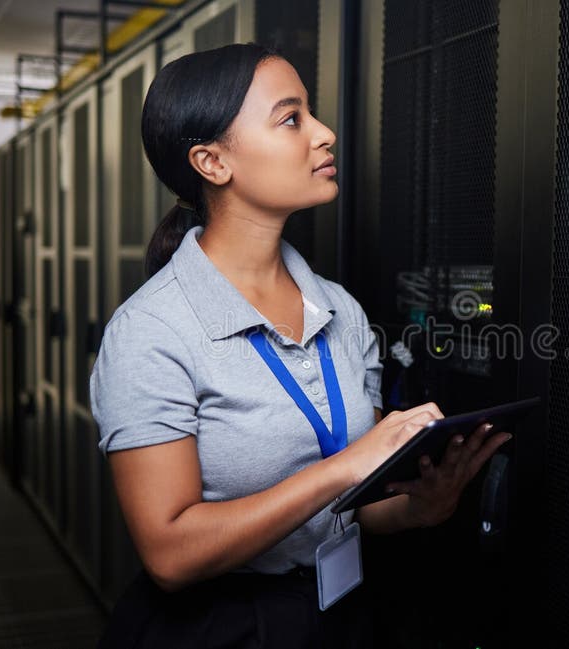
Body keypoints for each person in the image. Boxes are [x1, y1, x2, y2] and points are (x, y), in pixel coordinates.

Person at [89, 42, 511, 649]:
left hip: (340, 612)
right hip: (220, 628)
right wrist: (341, 467)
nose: (324, 133)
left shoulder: (339, 309)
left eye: (310, 114)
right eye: (291, 119)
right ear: (212, 162)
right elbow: (170, 553)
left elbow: (354, 504)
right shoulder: (152, 330)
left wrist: (421, 508)